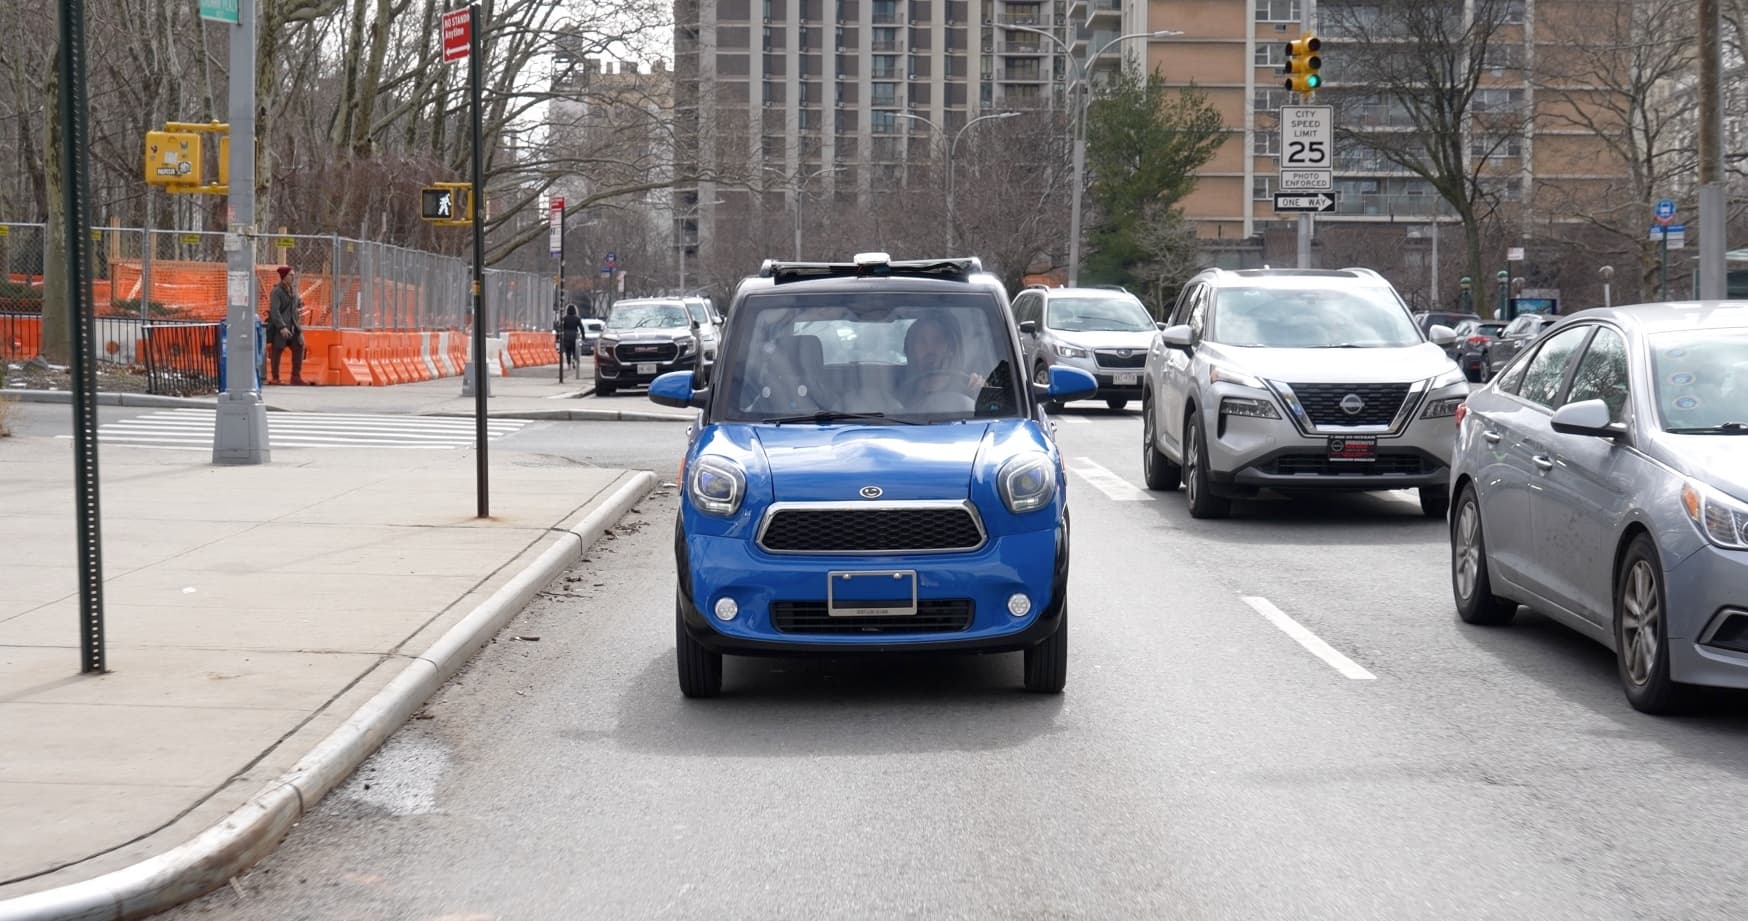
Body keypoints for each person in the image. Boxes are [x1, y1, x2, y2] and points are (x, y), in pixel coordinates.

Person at [898, 314, 983, 409]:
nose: (930, 349)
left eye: (937, 341)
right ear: (912, 351)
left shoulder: (967, 386)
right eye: (922, 342)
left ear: (949, 349)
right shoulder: (900, 390)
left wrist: (981, 393)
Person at [267, 265, 310, 385]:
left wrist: (300, 305)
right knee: (277, 350)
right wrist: (281, 327)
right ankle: (275, 378)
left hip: (294, 325)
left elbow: (297, 303)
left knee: (299, 346)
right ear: (284, 277)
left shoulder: (293, 290)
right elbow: (274, 311)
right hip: (282, 327)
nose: (293, 277)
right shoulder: (277, 291)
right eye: (291, 275)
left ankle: (296, 377)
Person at [560, 304, 583, 369]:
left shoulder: (564, 318)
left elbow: (561, 327)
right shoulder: (577, 318)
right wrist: (583, 336)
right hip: (574, 335)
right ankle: (574, 360)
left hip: (566, 335)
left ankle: (569, 365)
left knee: (568, 351)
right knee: (574, 350)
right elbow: (581, 327)